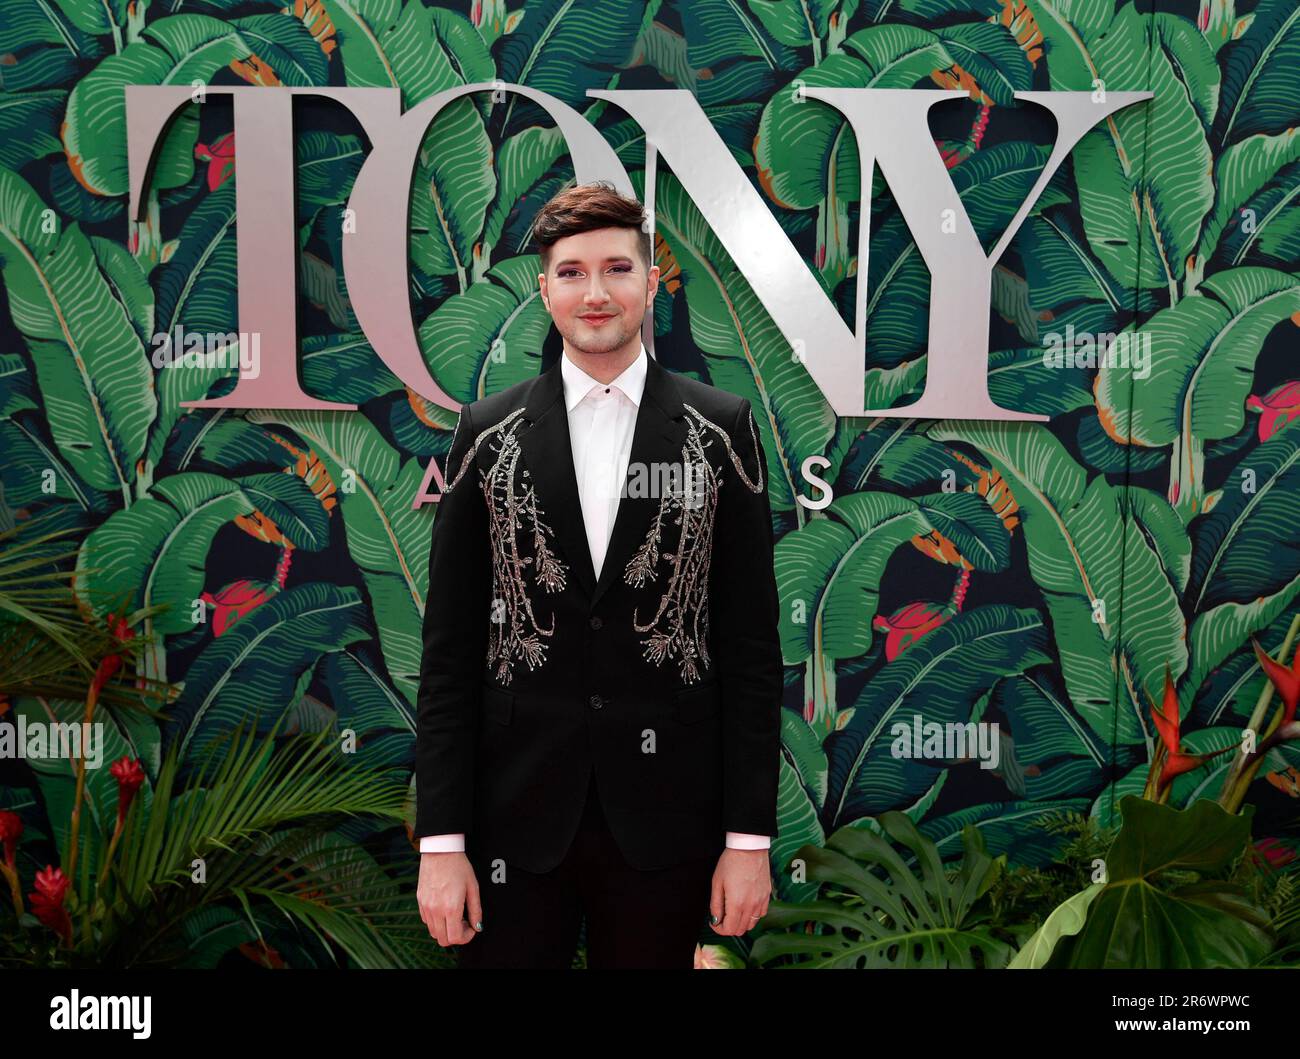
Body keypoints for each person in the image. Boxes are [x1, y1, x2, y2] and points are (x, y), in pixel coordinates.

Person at [414, 181, 782, 968]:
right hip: (511, 826)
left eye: (618, 268)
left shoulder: (720, 431)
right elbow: (447, 657)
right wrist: (440, 844)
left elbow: (751, 652)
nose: (595, 291)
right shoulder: (488, 433)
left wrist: (748, 840)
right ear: (544, 288)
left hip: (666, 826)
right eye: (572, 271)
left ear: (653, 283)